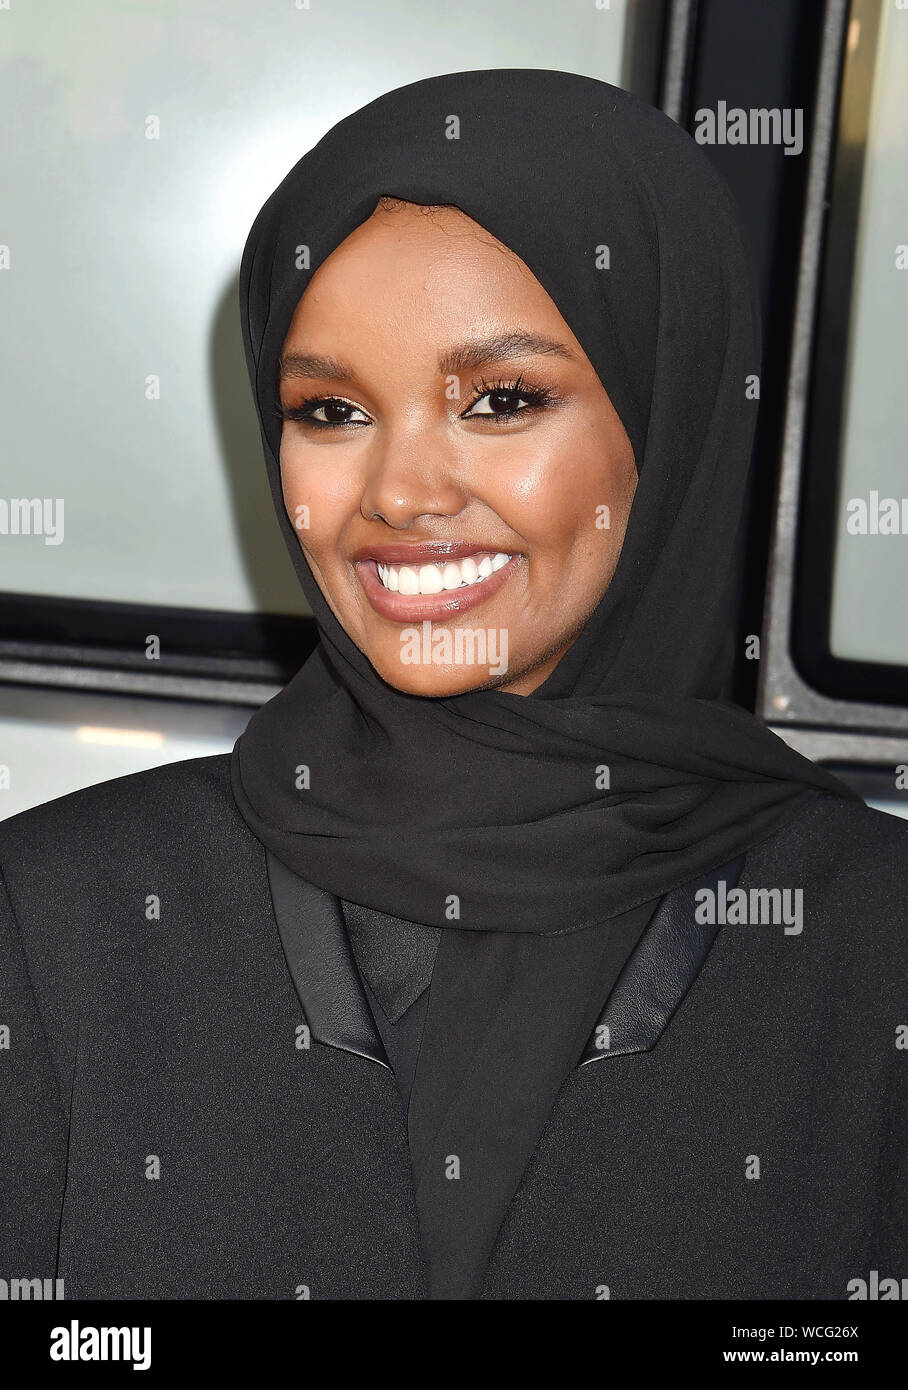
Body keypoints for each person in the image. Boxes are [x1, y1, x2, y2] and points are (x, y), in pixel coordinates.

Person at [1, 69, 905, 1301]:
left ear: (669, 420)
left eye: (500, 401)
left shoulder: (866, 945)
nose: (400, 492)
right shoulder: (63, 915)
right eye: (330, 409)